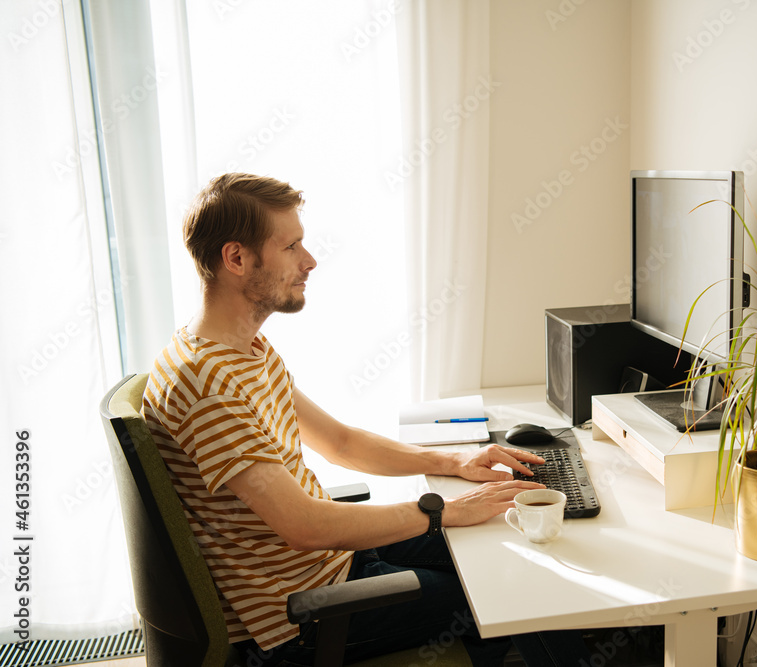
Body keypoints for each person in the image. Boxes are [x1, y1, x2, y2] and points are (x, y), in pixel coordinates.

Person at [142, 173, 592, 666]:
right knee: (512, 582)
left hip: (336, 564)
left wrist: (455, 462)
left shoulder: (243, 351)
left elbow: (340, 442)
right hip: (303, 616)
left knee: (500, 539)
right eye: (290, 246)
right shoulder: (206, 383)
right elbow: (304, 527)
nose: (309, 261)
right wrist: (442, 510)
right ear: (236, 259)